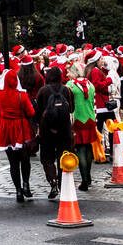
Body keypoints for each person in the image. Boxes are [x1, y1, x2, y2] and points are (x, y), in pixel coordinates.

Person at [0, 68, 36, 202]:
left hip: (5, 128)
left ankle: (18, 191)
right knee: (25, 159)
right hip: (21, 128)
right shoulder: (21, 95)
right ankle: (26, 185)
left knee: (13, 163)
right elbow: (31, 112)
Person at [34, 64, 75, 200]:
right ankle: (64, 185)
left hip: (47, 130)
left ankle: (53, 182)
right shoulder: (67, 90)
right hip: (64, 129)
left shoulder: (43, 91)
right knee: (63, 157)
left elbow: (38, 111)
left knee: (47, 158)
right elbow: (71, 109)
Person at [67, 62, 98, 191]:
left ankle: (84, 180)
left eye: (69, 72)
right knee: (88, 146)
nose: (67, 74)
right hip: (90, 118)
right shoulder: (90, 85)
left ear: (74, 72)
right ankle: (89, 176)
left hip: (78, 119)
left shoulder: (70, 85)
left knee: (80, 149)